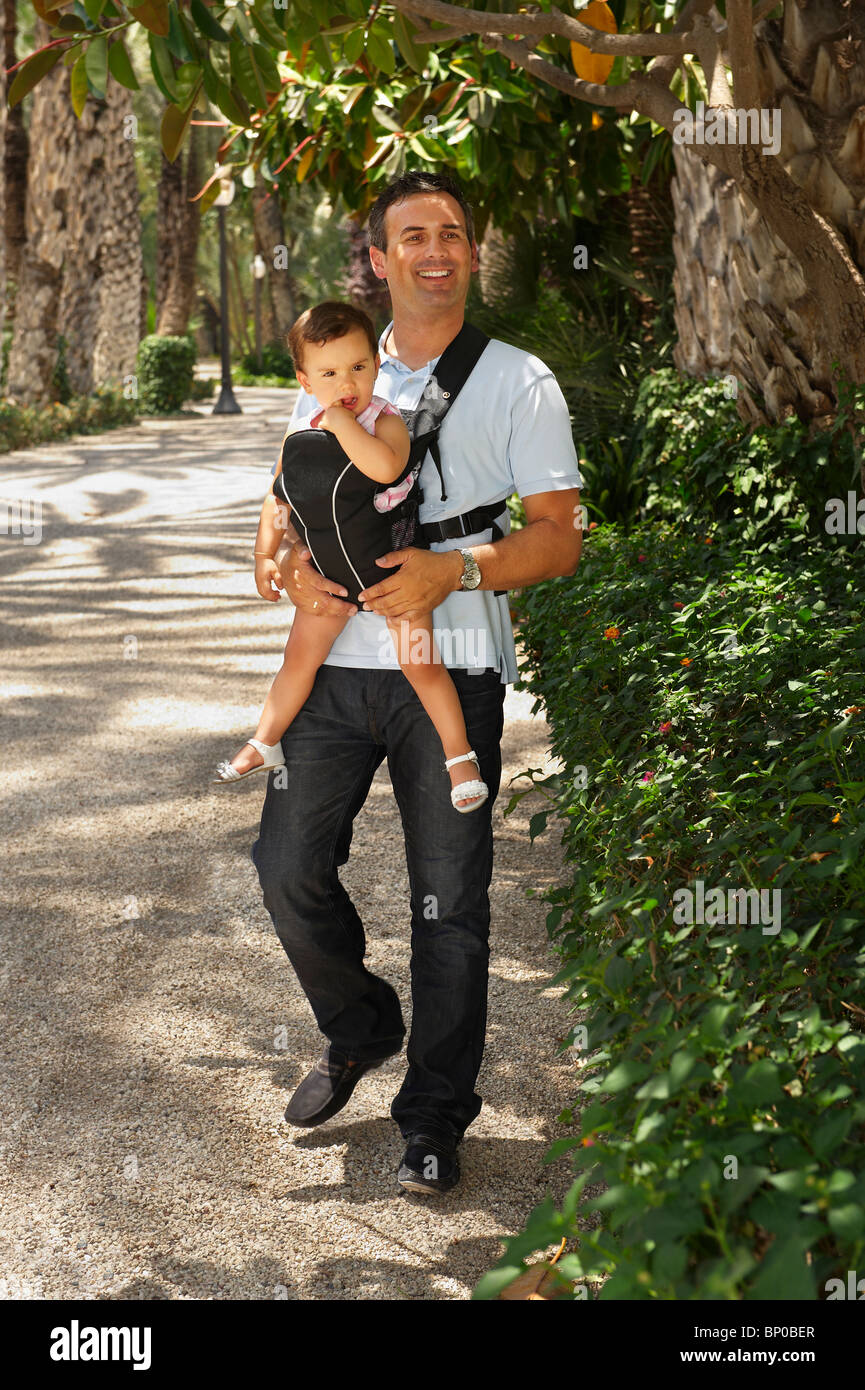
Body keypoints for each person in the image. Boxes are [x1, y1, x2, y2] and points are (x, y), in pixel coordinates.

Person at [251, 170, 583, 1195]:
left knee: (451, 908)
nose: (433, 248)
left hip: (453, 670)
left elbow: (559, 540)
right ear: (379, 257)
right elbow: (285, 511)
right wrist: (279, 560)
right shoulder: (334, 364)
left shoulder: (519, 382)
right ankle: (358, 1026)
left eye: (452, 232)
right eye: (411, 234)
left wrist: (459, 568)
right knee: (284, 867)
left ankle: (434, 1116)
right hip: (332, 681)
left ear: (472, 253)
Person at [213, 301, 489, 812]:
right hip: (329, 578)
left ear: (376, 367)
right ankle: (264, 741)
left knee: (420, 663)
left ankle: (459, 757)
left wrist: (343, 425)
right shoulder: (300, 434)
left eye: (359, 367)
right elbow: (278, 496)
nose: (347, 382)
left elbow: (385, 469)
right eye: (330, 372)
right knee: (299, 658)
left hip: (390, 573)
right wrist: (264, 555)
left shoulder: (386, 422)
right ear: (304, 380)